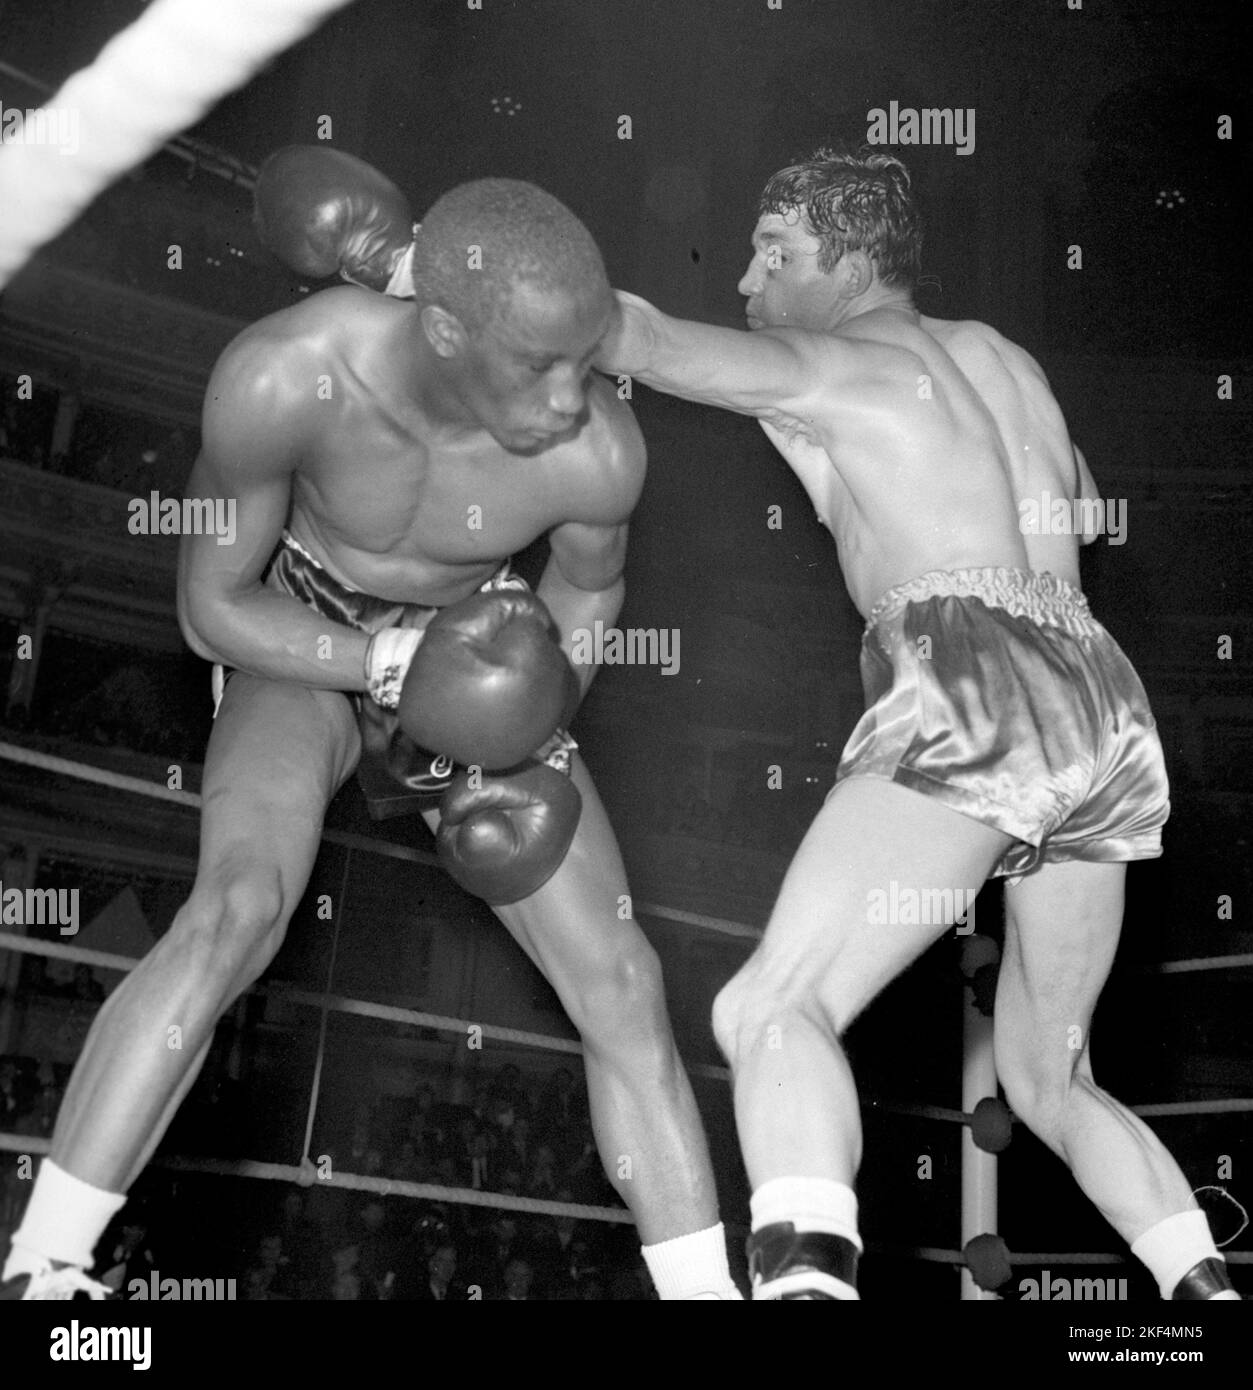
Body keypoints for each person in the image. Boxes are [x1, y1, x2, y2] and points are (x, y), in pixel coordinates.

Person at [1, 173, 738, 1301]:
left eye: (583, 358)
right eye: (538, 363)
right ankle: (44, 1272)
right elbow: (213, 604)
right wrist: (389, 667)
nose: (568, 394)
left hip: (475, 658)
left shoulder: (600, 451)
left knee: (624, 979)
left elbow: (587, 600)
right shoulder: (287, 373)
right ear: (442, 328)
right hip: (300, 635)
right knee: (235, 908)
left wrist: (532, 709)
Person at [596, 144, 1239, 1302]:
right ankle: (1208, 1299)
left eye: (772, 252)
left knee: (768, 1006)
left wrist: (442, 279)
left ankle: (806, 1290)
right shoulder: (1005, 358)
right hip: (1099, 695)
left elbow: (631, 337)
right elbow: (1082, 502)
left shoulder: (831, 363)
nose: (745, 280)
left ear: (843, 261)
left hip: (971, 672)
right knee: (1050, 1081)